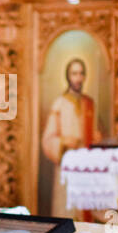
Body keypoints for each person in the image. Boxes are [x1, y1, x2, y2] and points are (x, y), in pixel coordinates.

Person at [40, 57, 101, 217]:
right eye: (74, 74)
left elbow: (94, 133)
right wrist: (63, 142)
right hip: (66, 165)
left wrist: (96, 138)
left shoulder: (89, 103)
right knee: (66, 210)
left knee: (85, 210)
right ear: (68, 76)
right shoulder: (59, 103)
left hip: (86, 165)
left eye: (81, 74)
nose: (78, 78)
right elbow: (48, 139)